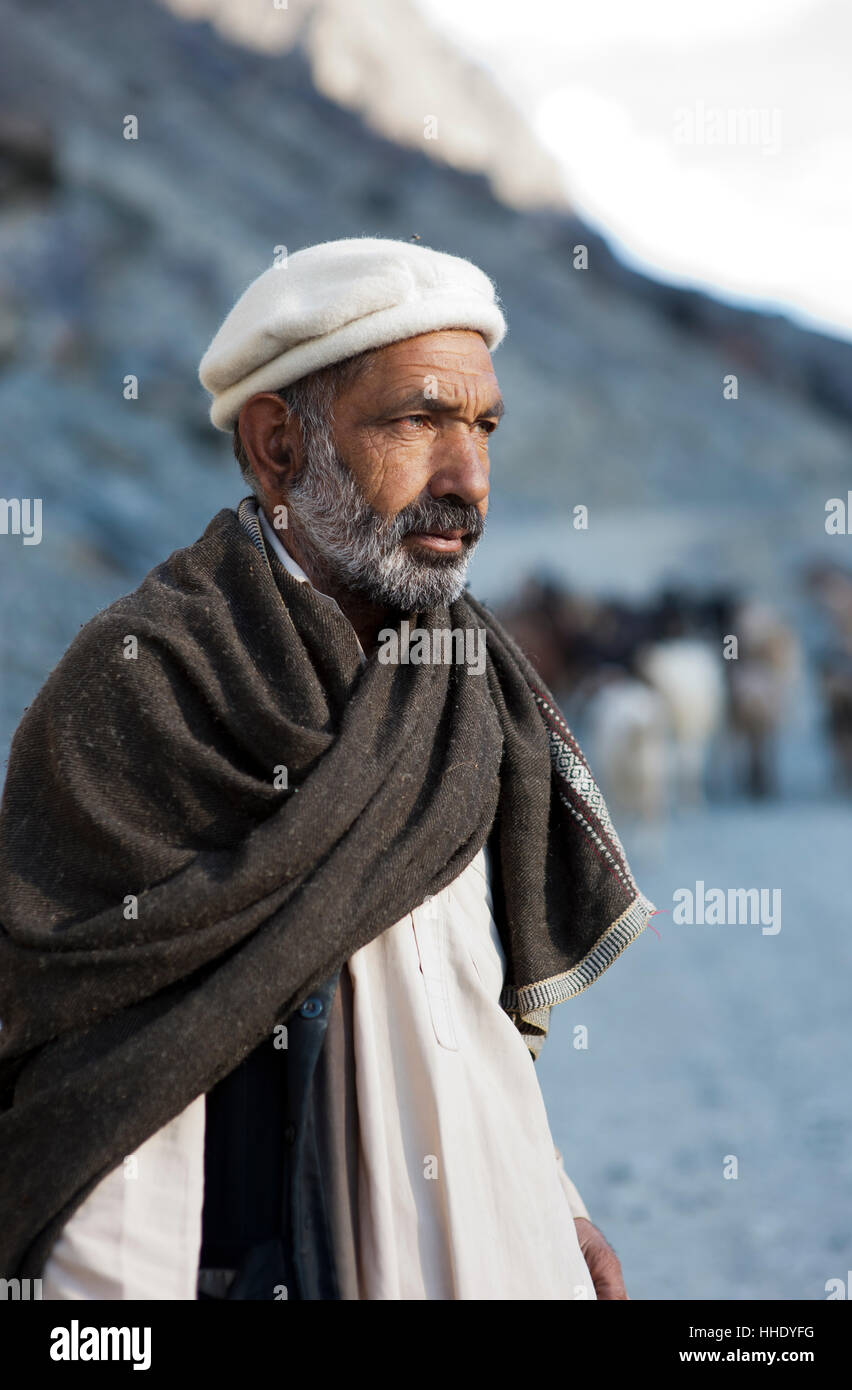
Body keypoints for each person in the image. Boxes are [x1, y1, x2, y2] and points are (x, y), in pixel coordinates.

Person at [0, 237, 655, 1301]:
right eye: (418, 420)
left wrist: (551, 1198)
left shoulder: (468, 679)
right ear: (277, 444)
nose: (469, 478)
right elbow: (87, 1075)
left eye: (483, 426)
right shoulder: (143, 687)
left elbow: (468, 999)